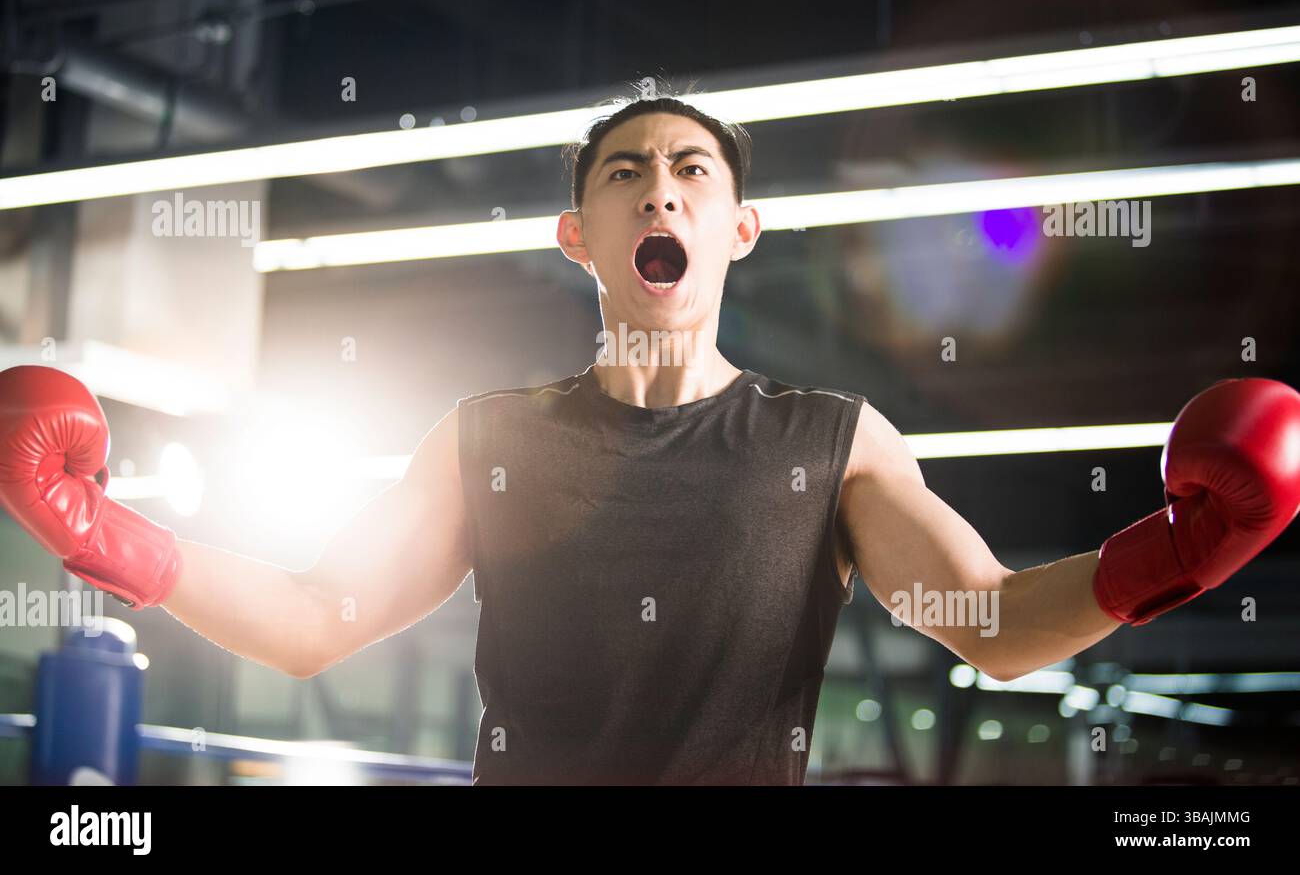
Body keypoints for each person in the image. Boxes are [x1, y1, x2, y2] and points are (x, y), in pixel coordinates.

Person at [2, 94, 1299, 785]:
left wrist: (1186, 547)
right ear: (581, 235)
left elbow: (996, 625)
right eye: (627, 172)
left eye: (693, 171)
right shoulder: (484, 436)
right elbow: (314, 616)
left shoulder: (833, 441)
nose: (661, 186)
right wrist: (95, 531)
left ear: (737, 228)